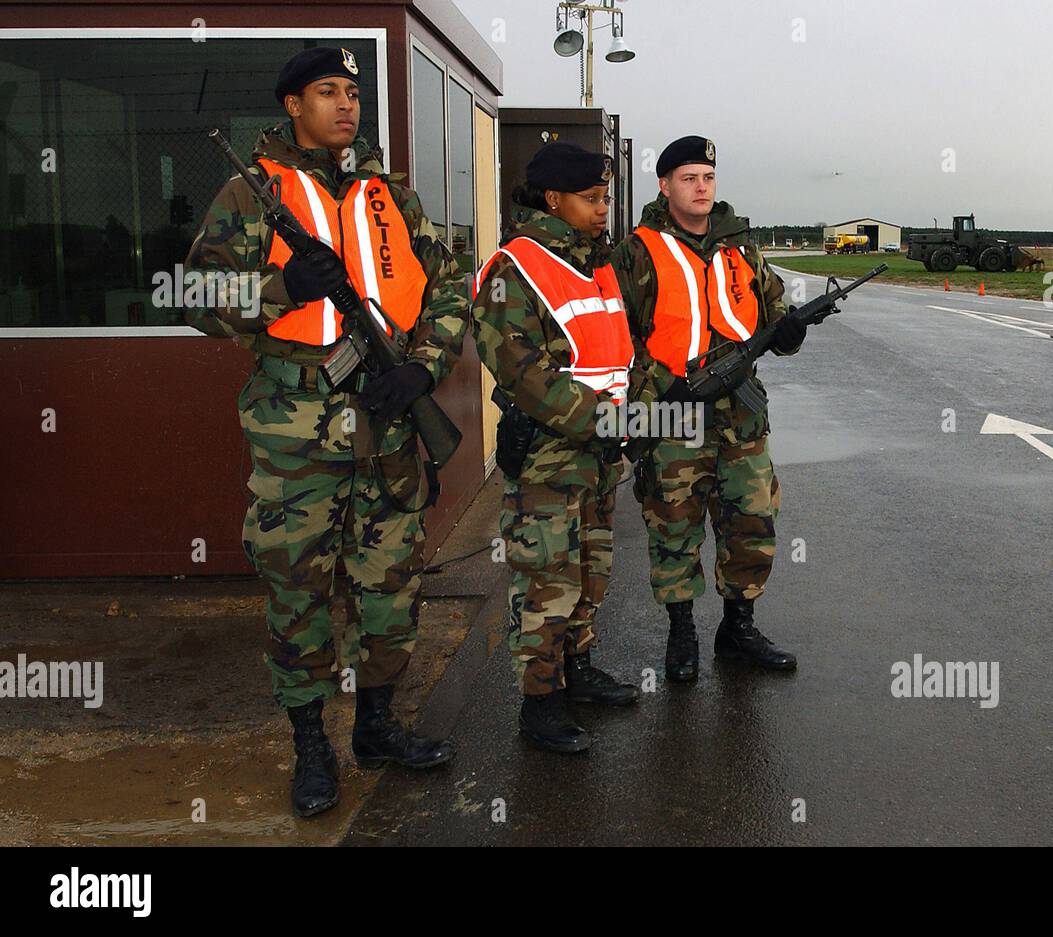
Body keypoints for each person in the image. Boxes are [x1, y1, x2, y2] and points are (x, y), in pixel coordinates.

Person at [183, 47, 468, 816]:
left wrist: (423, 367)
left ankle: (376, 726)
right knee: (298, 588)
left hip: (387, 416)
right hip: (297, 431)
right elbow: (194, 296)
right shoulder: (252, 192)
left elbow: (448, 285)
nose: (346, 105)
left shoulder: (390, 196)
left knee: (390, 582)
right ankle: (312, 744)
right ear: (291, 105)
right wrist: (279, 287)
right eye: (326, 92)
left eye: (352, 91)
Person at [471, 141, 645, 754]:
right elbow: (525, 373)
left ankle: (579, 671)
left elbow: (617, 354)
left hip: (598, 456)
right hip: (551, 457)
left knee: (591, 572)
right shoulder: (512, 269)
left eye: (606, 198)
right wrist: (605, 422)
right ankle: (539, 703)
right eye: (591, 199)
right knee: (547, 582)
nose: (603, 210)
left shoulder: (595, 263)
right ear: (553, 199)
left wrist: (630, 420)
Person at [611, 135, 805, 684]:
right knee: (674, 526)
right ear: (664, 185)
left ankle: (737, 629)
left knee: (751, 522)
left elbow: (776, 323)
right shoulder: (637, 250)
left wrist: (790, 330)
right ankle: (681, 634)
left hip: (741, 420)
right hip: (672, 414)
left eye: (708, 177)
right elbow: (617, 337)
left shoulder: (741, 248)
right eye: (688, 178)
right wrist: (654, 395)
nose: (701, 187)